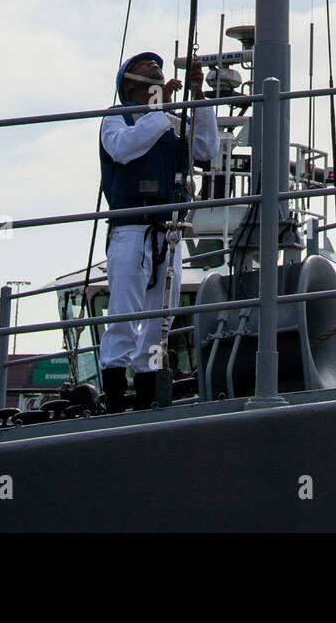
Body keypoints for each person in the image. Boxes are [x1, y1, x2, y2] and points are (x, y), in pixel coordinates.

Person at [98, 52, 219, 410]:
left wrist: (198, 97)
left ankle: (148, 395)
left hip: (169, 233)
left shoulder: (170, 121)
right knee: (124, 314)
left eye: (156, 64)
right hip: (132, 230)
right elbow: (124, 148)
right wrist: (161, 112)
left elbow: (205, 148)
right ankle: (115, 397)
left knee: (159, 321)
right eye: (144, 64)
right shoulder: (115, 119)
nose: (154, 64)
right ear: (130, 83)